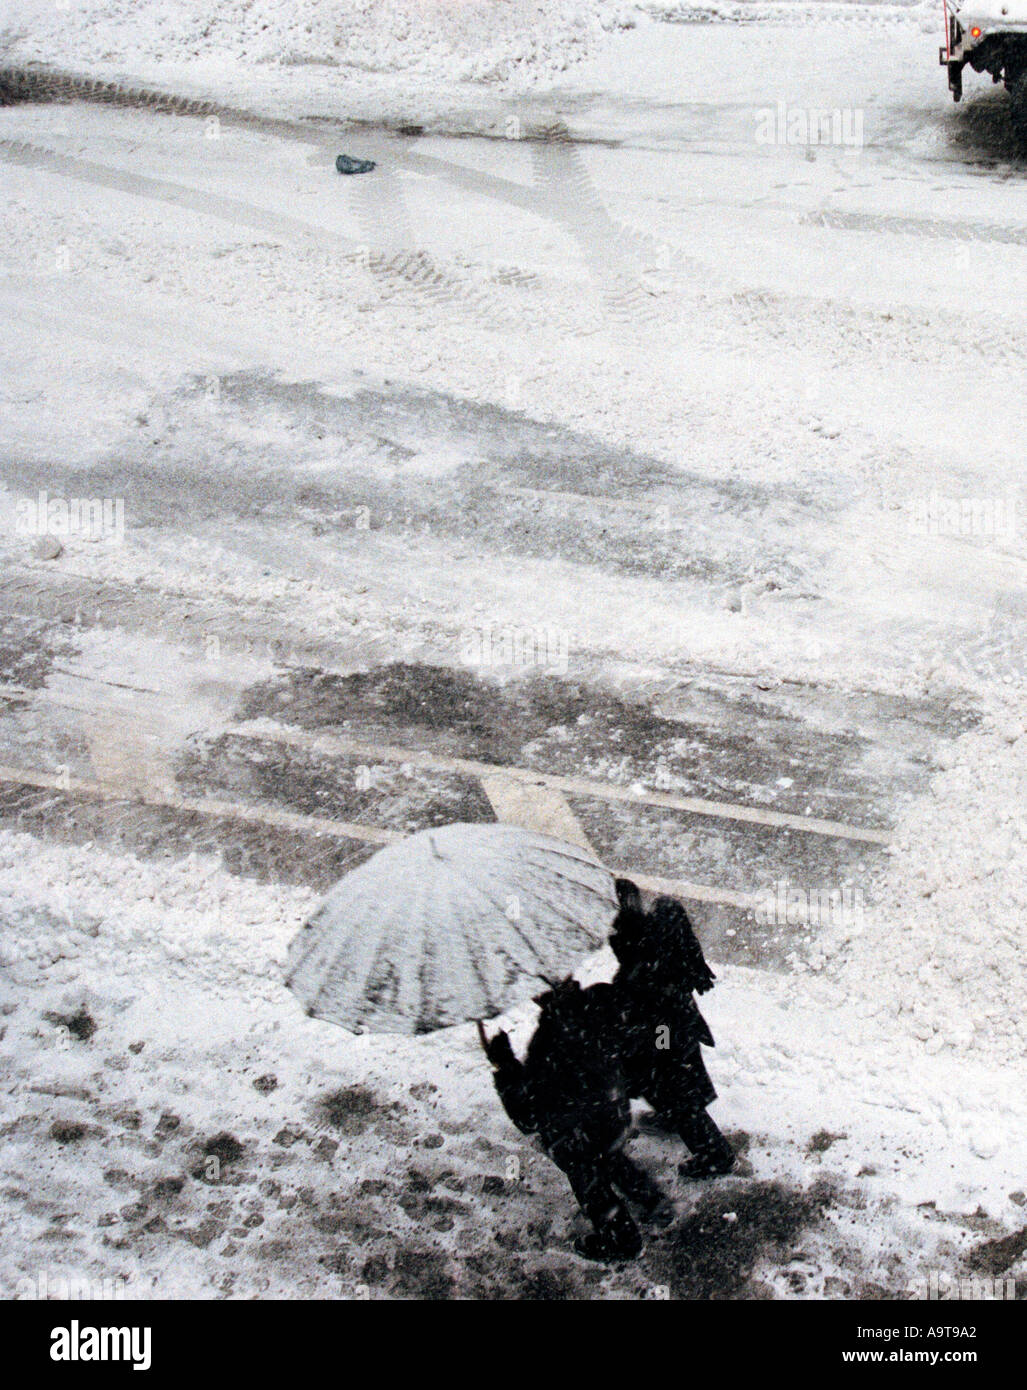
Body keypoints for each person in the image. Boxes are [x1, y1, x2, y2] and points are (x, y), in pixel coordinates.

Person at [479, 976, 668, 1261]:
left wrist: (503, 1063)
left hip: (576, 1134)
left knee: (591, 1185)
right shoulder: (602, 999)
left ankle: (623, 1241)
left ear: (541, 994)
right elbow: (638, 1042)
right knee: (613, 1158)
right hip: (613, 1114)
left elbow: (529, 1115)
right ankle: (654, 1203)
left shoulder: (550, 1040)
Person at [609, 879, 734, 1178]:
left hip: (665, 1028)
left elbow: (640, 984)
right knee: (664, 1079)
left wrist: (660, 1048)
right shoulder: (647, 931)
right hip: (674, 1021)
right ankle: (670, 1115)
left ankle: (715, 1153)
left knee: (671, 1086)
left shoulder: (637, 938)